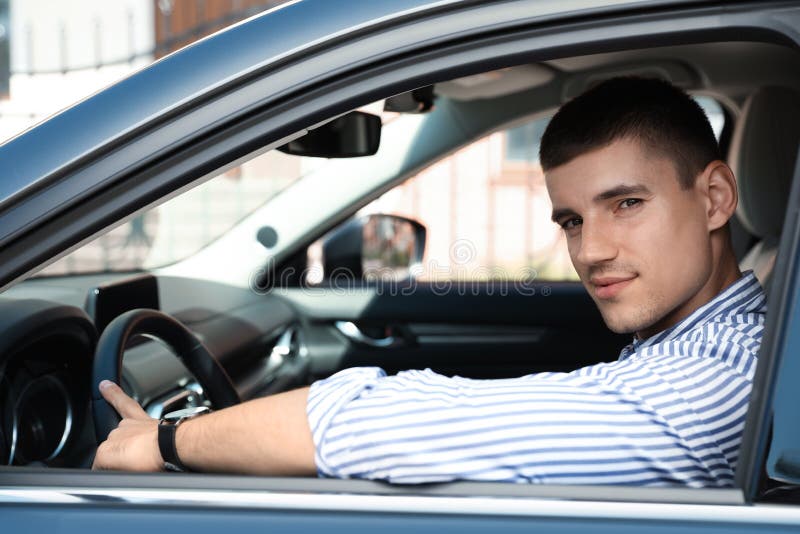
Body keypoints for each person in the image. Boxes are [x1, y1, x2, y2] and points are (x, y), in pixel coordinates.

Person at [93, 77, 766, 487]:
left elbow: (388, 425)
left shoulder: (720, 383)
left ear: (713, 198)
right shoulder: (700, 341)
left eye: (627, 204)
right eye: (570, 220)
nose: (589, 252)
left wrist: (165, 442)